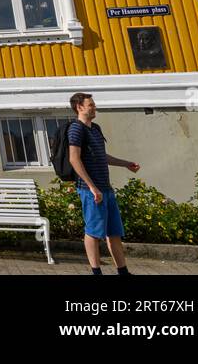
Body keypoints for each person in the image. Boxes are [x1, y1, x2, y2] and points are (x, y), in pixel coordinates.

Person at [68, 92, 139, 274]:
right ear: (80, 107)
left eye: (94, 104)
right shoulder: (76, 129)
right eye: (90, 104)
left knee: (114, 232)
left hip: (106, 189)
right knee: (93, 231)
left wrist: (125, 164)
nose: (94, 107)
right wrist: (92, 187)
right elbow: (74, 159)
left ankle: (123, 271)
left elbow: (102, 156)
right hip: (91, 191)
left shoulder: (95, 129)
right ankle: (96, 271)